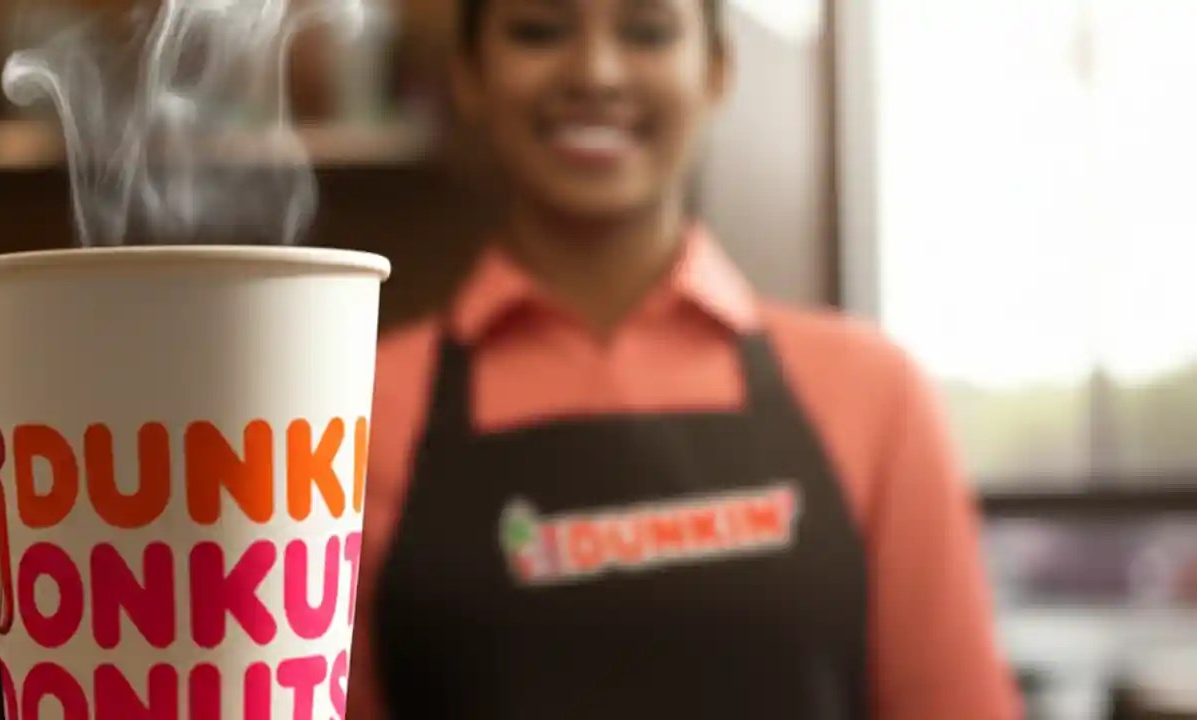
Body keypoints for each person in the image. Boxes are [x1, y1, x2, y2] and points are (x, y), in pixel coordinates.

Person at [347, 0, 1020, 717]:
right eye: (539, 31)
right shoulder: (356, 407)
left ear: (717, 71)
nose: (596, 73)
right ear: (470, 78)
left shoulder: (873, 393)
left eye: (647, 32)